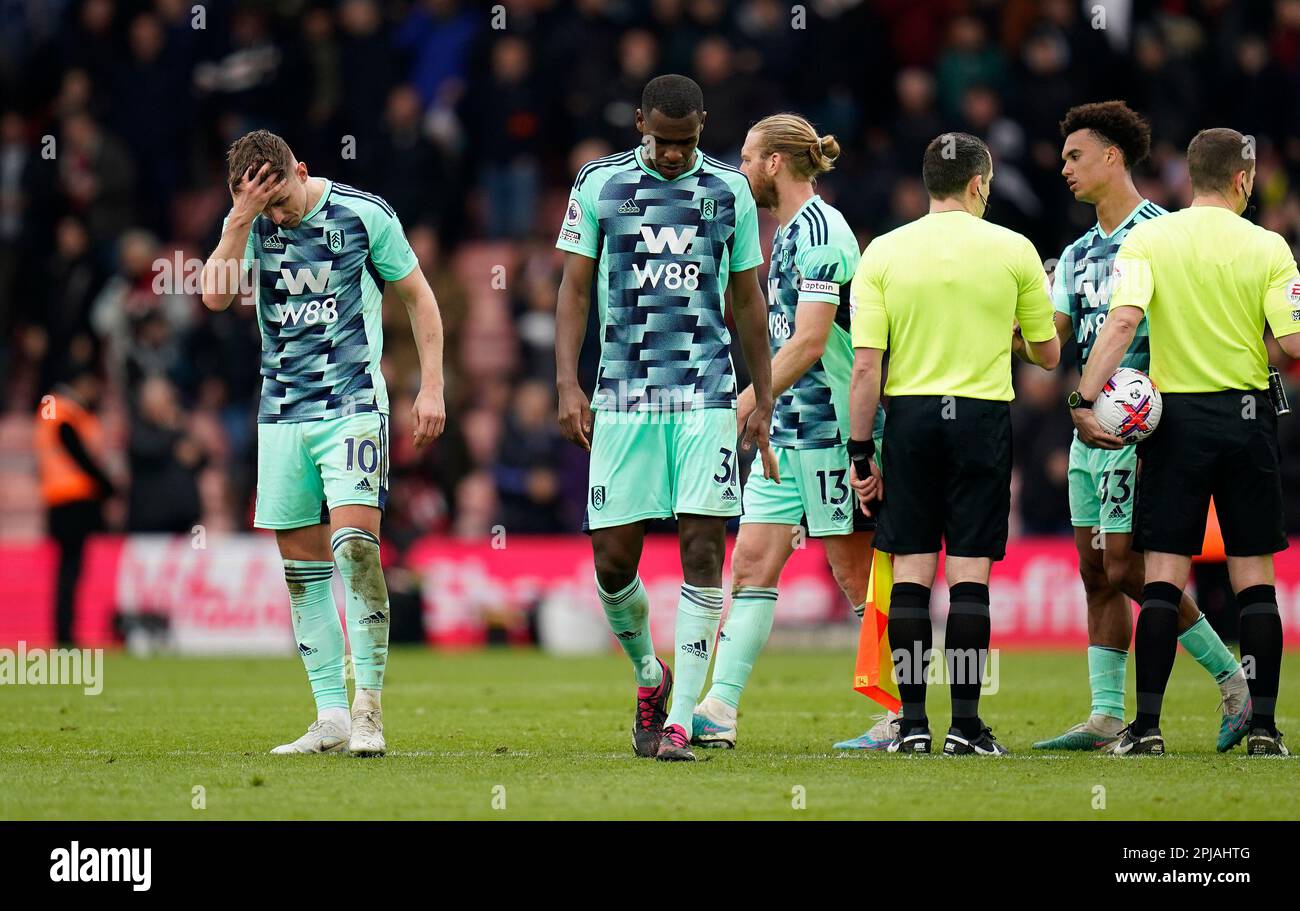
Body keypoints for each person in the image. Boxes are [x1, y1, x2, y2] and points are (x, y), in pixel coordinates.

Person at [201, 129, 446, 757]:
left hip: (352, 407)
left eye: (280, 200)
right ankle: (330, 716)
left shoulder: (364, 215)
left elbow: (418, 297)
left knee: (357, 548)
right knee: (303, 572)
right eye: (265, 207)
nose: (277, 216)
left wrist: (431, 388)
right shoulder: (250, 223)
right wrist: (239, 222)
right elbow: (214, 295)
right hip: (282, 413)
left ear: (301, 169)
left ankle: (369, 708)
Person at [555, 75, 774, 762]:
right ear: (640, 122)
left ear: (703, 126)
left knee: (703, 548)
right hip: (623, 397)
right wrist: (567, 382)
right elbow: (575, 288)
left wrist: (762, 396)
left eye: (687, 141)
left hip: (705, 394)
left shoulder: (729, 191)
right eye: (662, 139)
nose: (675, 154)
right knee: (612, 559)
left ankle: (679, 720)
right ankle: (652, 676)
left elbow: (748, 300)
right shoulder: (598, 184)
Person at [1028, 102, 1250, 753]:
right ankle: (1104, 715)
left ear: (1113, 158)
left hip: (1141, 429)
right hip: (1085, 430)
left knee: (1127, 566)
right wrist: (1020, 306)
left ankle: (1231, 676)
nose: (1064, 167)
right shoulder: (1073, 252)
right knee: (1094, 569)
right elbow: (1047, 348)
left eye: (1075, 156)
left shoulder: (1163, 233)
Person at [1073, 127, 1300, 756]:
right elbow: (1294, 344)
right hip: (1247, 418)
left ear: (1189, 177)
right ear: (1243, 180)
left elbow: (1123, 322)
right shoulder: (1270, 245)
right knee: (1255, 580)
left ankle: (1145, 729)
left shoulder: (1150, 237)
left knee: (1163, 580)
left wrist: (1083, 398)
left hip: (1176, 425)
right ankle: (1264, 732)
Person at [849, 132, 1061, 755]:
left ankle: (913, 725)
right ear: (978, 184)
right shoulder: (1014, 249)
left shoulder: (883, 253)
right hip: (982, 418)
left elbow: (867, 368)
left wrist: (861, 452)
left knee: (911, 573)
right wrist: (1007, 335)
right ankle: (966, 728)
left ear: (926, 185)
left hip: (910, 418)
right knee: (970, 577)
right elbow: (1048, 354)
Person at [689, 113, 892, 751]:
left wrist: (750, 397)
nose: (741, 169)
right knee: (751, 564)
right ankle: (718, 709)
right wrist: (767, 412)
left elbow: (810, 338)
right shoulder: (786, 233)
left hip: (834, 429)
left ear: (775, 162)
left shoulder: (823, 230)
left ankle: (895, 715)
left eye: (748, 158)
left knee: (854, 573)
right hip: (790, 432)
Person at [34, 365, 114, 646]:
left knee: (70, 571)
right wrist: (108, 486)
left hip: (65, 500)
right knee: (69, 572)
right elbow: (79, 455)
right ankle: (64, 634)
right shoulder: (63, 411)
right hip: (71, 501)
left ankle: (65, 633)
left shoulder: (60, 411)